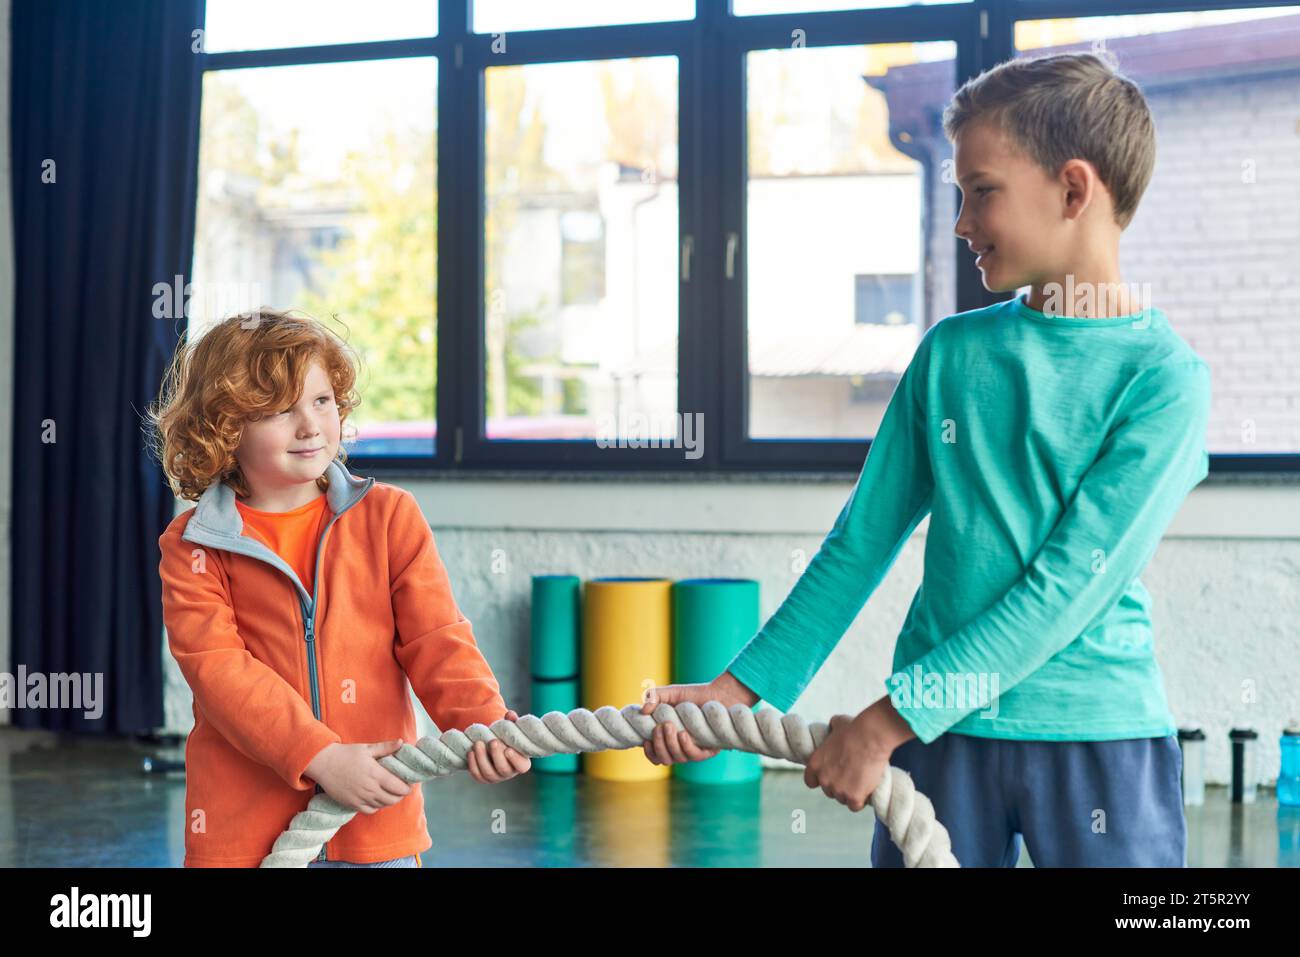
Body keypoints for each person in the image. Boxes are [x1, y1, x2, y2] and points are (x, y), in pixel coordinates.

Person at [642, 52, 1209, 868]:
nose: (962, 222)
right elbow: (858, 543)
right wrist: (738, 693)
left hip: (1095, 736)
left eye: (983, 191)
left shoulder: (1164, 381)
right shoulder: (951, 355)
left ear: (1074, 190)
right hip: (944, 739)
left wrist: (884, 721)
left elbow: (1064, 589)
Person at [150, 308, 530, 867]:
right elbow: (219, 671)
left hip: (376, 820)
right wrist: (321, 757)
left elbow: (437, 637)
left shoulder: (390, 518)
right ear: (225, 427)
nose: (310, 426)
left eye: (321, 401)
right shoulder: (192, 546)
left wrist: (480, 719)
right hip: (243, 830)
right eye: (280, 410)